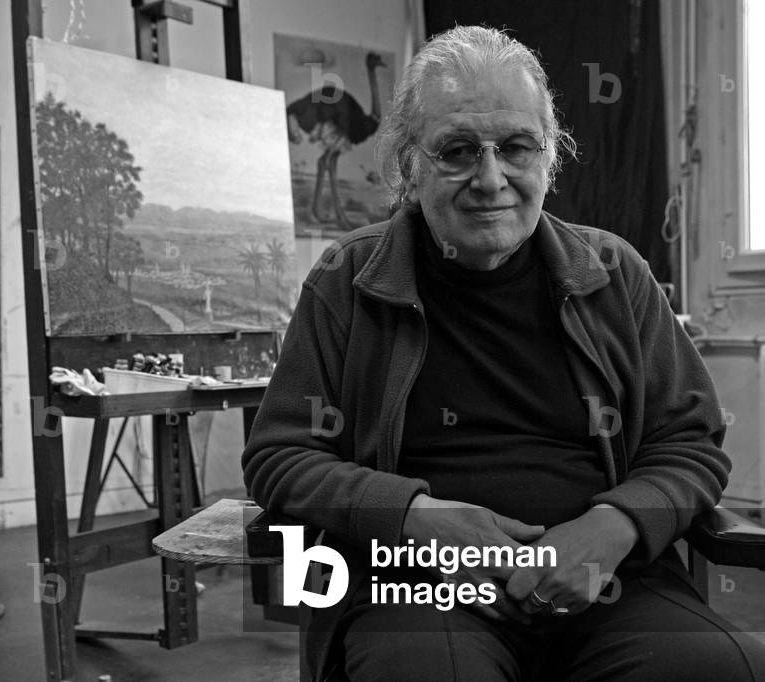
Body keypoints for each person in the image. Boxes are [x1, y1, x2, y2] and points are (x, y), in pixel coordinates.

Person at [242, 25, 765, 682]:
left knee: (722, 669)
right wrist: (411, 517)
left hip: (608, 581)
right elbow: (280, 457)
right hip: (419, 587)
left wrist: (615, 525)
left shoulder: (614, 274)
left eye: (516, 147)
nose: (490, 179)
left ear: (549, 158)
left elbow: (688, 444)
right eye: (456, 151)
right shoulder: (346, 280)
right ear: (408, 166)